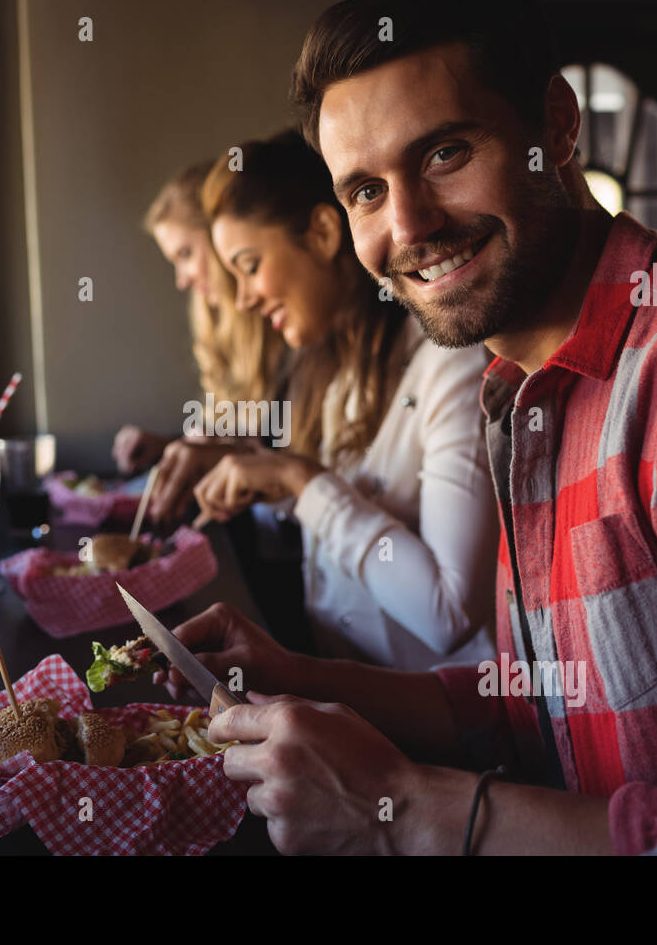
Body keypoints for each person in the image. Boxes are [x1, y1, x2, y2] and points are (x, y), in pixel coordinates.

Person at [158, 0, 657, 855]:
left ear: (557, 125)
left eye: (447, 152)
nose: (409, 226)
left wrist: (405, 807)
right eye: (364, 191)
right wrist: (304, 680)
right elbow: (545, 701)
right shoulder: (519, 386)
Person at [185, 130, 499, 670]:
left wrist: (301, 480)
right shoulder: (328, 367)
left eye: (250, 264)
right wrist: (252, 473)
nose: (243, 298)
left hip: (449, 735)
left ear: (324, 232)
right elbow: (326, 516)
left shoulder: (449, 365)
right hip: (347, 700)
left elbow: (448, 615)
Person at [112, 161, 284, 476]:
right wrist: (167, 447)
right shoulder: (224, 338)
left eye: (186, 254)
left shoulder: (289, 327)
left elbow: (285, 460)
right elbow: (236, 446)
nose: (182, 280)